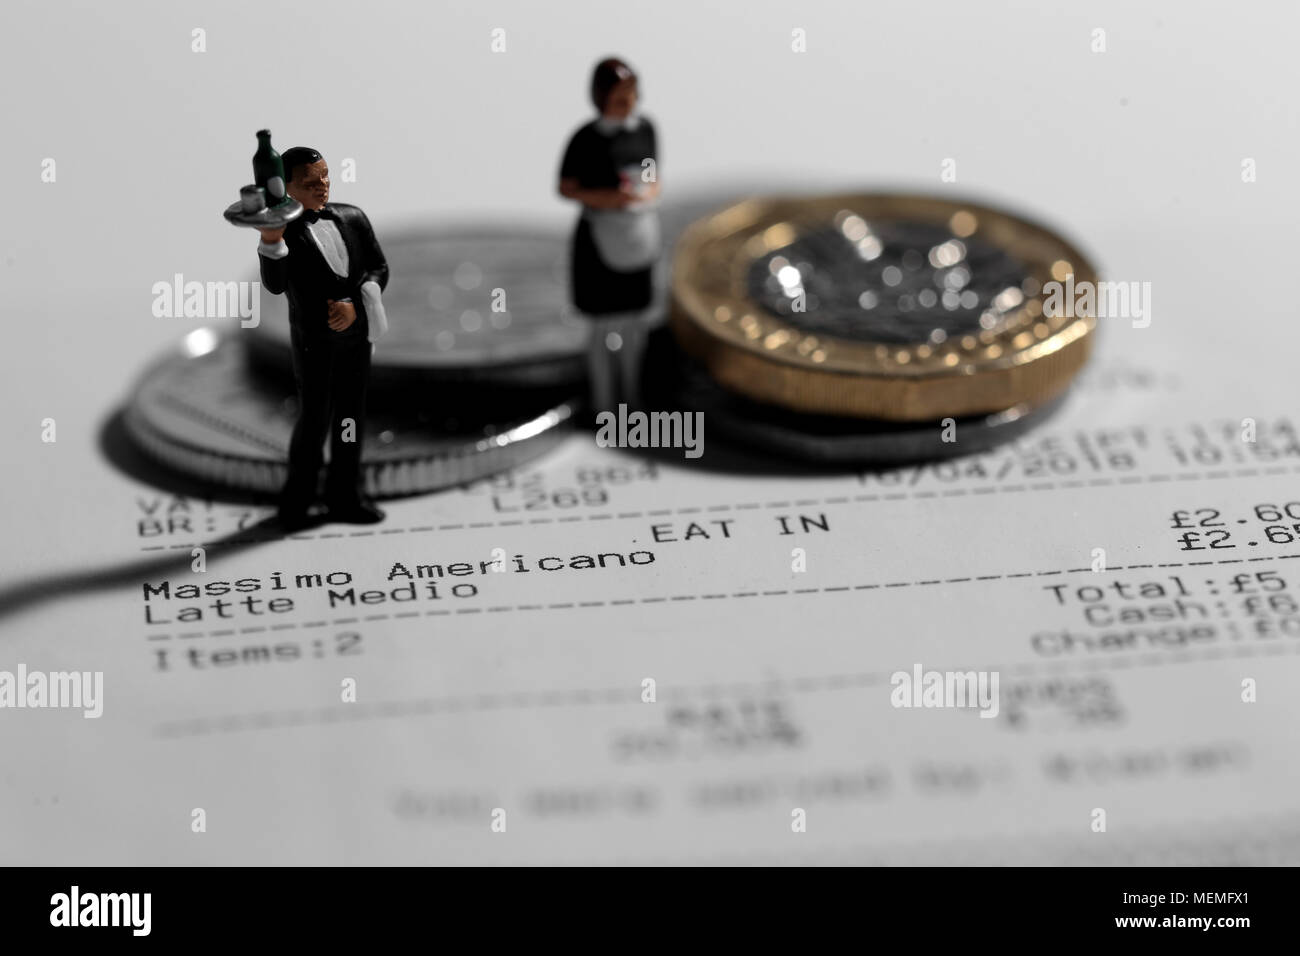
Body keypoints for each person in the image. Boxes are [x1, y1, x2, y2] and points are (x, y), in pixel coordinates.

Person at [256, 146, 389, 530]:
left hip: (355, 342)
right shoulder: (286, 232)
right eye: (310, 182)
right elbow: (275, 285)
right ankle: (298, 499)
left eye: (326, 177)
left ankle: (344, 495)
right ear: (288, 187)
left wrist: (361, 301)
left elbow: (378, 268)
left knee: (349, 420)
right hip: (315, 346)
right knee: (314, 422)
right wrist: (269, 240)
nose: (322, 186)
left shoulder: (352, 218)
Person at [558, 57, 661, 412]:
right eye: (620, 98)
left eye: (632, 95)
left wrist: (644, 194)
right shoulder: (585, 140)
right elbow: (566, 187)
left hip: (637, 235)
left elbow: (653, 175)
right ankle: (603, 406)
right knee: (602, 329)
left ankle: (633, 399)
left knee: (635, 326)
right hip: (600, 241)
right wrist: (608, 199)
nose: (628, 103)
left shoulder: (645, 129)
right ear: (601, 98)